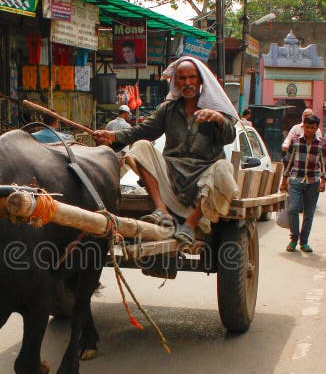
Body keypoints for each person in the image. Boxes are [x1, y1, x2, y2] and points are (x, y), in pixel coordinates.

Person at [93, 56, 238, 244]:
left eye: (192, 77)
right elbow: (143, 131)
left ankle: (190, 225)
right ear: (175, 82)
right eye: (182, 78)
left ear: (201, 80)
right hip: (172, 176)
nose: (187, 82)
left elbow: (229, 136)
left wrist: (218, 118)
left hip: (203, 177)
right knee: (141, 146)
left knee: (223, 168)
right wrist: (112, 136)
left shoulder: (215, 111)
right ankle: (161, 209)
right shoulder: (167, 109)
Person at [280, 113, 326, 253]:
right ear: (303, 127)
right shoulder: (295, 142)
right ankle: (294, 238)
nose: (309, 130)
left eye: (312, 128)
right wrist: (284, 181)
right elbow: (288, 162)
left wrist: (323, 182)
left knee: (309, 213)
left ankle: (304, 241)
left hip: (313, 181)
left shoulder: (321, 144)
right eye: (307, 127)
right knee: (293, 209)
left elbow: (324, 165)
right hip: (296, 180)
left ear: (316, 128)